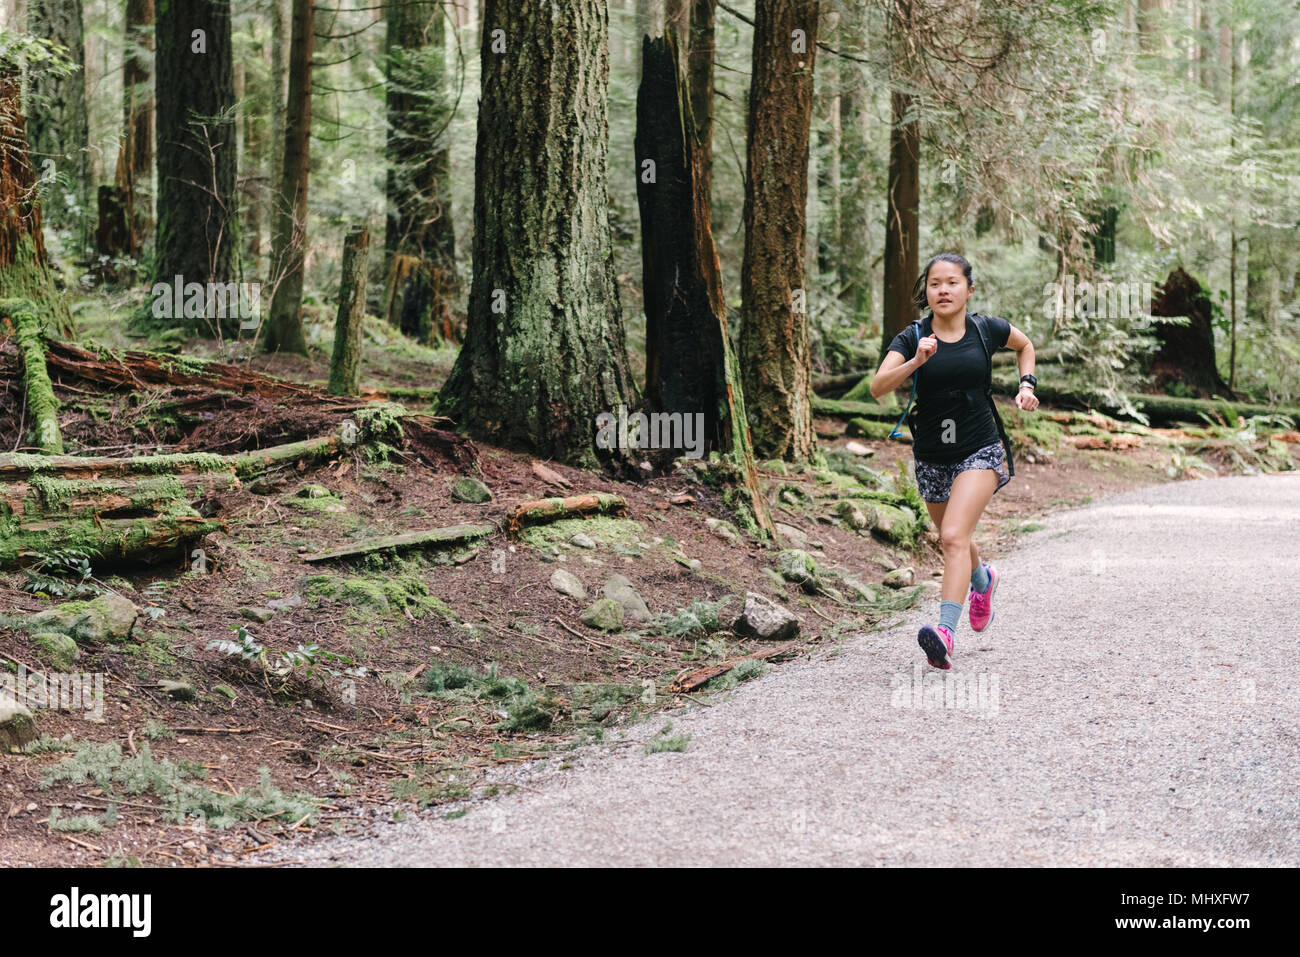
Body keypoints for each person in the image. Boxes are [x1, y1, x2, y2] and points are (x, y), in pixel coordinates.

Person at [869, 253, 1040, 669]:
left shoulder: (987, 329)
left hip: (980, 447)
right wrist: (915, 362)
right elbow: (877, 387)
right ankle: (983, 582)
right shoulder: (912, 337)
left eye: (951, 282)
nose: (943, 290)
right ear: (926, 292)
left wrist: (1026, 384)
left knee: (951, 537)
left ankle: (945, 633)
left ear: (969, 289)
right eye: (934, 284)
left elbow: (1025, 345)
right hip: (931, 454)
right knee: (956, 537)